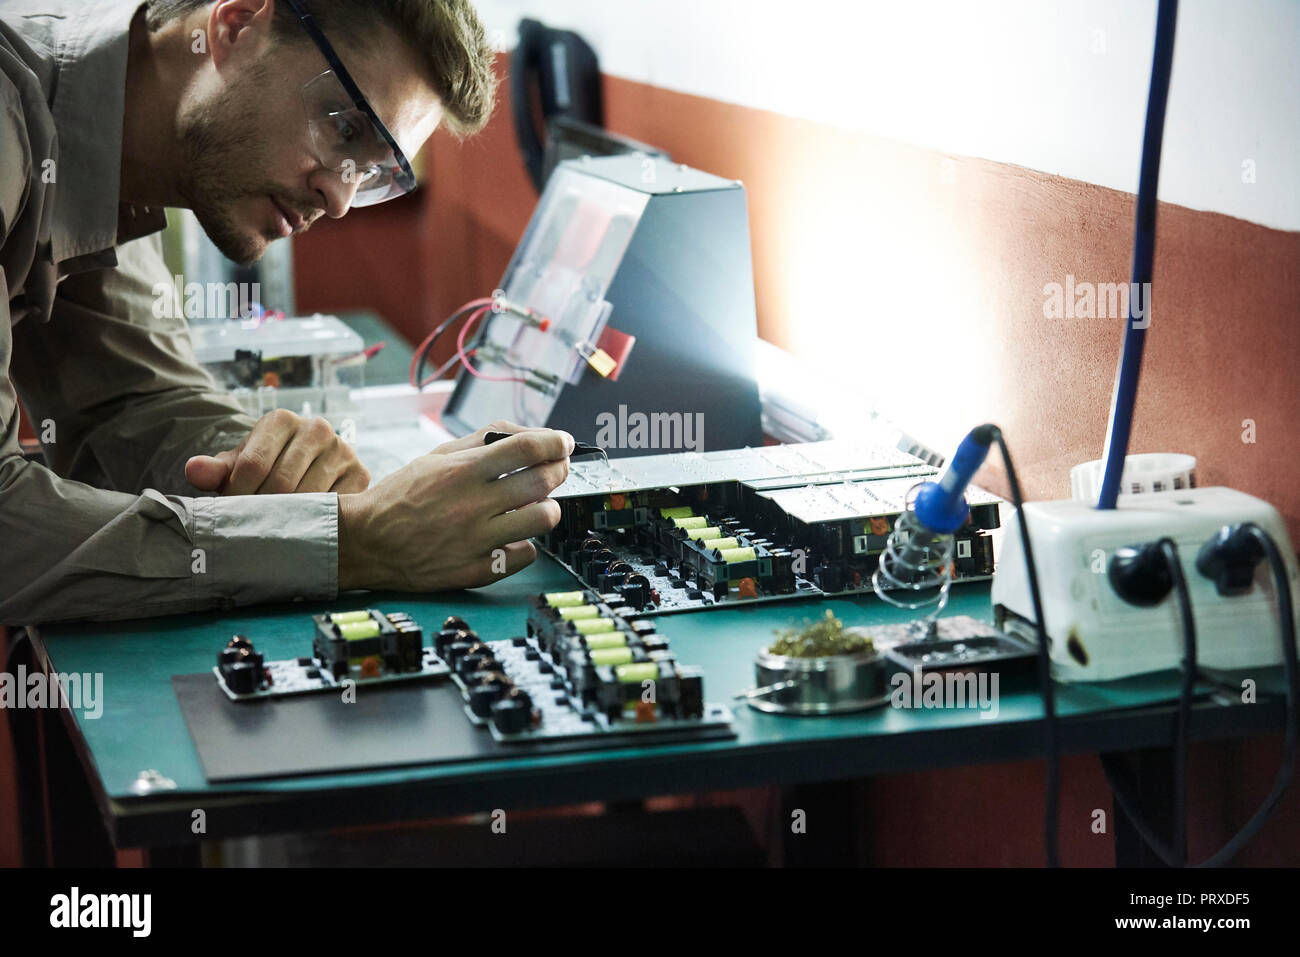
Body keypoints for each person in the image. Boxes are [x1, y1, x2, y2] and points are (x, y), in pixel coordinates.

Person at [0, 0, 573, 624]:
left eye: (376, 172)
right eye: (345, 129)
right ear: (237, 25)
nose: (341, 198)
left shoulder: (113, 157)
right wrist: (356, 541)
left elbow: (128, 407)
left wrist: (268, 468)